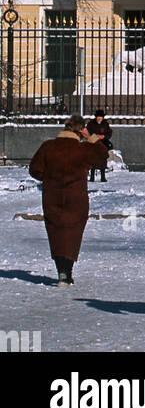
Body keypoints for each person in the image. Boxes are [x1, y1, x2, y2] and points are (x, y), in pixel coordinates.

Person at [28, 114, 108, 285]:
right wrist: (92, 138)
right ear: (81, 131)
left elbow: (35, 170)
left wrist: (49, 178)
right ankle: (67, 271)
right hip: (76, 197)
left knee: (55, 232)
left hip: (52, 195)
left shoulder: (48, 147)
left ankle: (61, 271)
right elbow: (103, 158)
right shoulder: (83, 150)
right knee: (72, 232)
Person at [86, 110, 112, 183]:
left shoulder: (105, 124)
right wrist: (95, 136)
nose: (99, 118)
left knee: (103, 159)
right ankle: (92, 177)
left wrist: (104, 136)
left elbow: (109, 133)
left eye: (100, 117)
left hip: (102, 143)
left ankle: (103, 177)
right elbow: (88, 132)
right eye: (98, 117)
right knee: (93, 159)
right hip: (94, 142)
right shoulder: (91, 123)